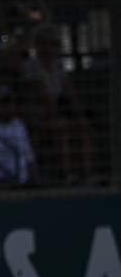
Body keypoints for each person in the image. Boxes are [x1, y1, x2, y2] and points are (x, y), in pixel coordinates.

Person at [21, 24, 94, 184]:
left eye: (58, 44)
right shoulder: (32, 65)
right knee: (61, 128)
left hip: (52, 114)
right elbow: (43, 97)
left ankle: (86, 175)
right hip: (34, 116)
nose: (57, 48)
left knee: (82, 127)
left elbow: (70, 92)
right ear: (40, 46)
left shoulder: (57, 65)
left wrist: (80, 116)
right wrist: (56, 117)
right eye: (52, 44)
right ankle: (65, 176)